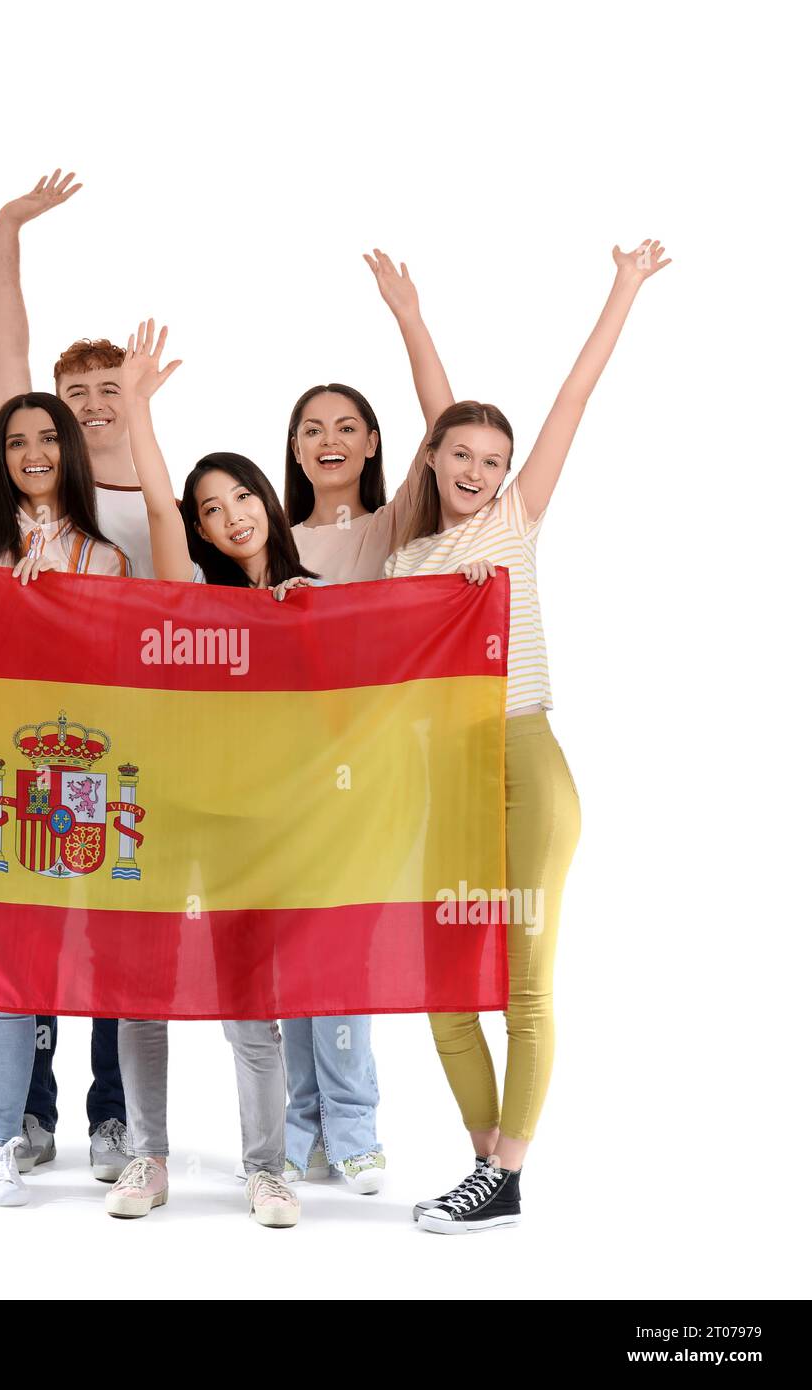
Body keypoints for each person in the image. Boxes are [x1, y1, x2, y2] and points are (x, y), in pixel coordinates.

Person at [383, 238, 671, 1232]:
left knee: (525, 982)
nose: (475, 469)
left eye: (492, 461)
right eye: (459, 454)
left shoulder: (509, 524)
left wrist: (621, 286)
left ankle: (507, 1172)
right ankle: (485, 1167)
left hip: (524, 762)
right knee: (444, 989)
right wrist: (409, 319)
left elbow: (571, 401)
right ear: (432, 457)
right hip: (442, 781)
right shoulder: (405, 559)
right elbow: (440, 406)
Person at [0, 237, 131, 1198]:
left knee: (63, 942)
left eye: (50, 440)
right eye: (20, 441)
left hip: (67, 772)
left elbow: (114, 677)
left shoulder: (105, 560)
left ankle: (61, 1124)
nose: (35, 452)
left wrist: (62, 610)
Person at [99, 321, 311, 1228]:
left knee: (248, 1004)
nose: (229, 517)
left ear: (266, 499)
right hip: (170, 809)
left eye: (240, 499)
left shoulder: (312, 604)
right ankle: (146, 1160)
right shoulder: (192, 593)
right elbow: (154, 509)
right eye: (209, 508)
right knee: (143, 995)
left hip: (257, 822)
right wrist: (139, 407)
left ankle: (265, 1170)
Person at [0, 171, 157, 1167]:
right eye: (71, 396)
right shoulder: (20, 506)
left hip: (110, 739)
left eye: (106, 392)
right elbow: (7, 351)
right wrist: (8, 227)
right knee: (32, 924)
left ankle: (108, 1106)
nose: (87, 409)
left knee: (106, 924)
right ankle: (34, 1106)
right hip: (17, 737)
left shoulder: (134, 514)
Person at [273, 257, 450, 1194]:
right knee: (298, 943)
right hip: (283, 774)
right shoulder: (268, 541)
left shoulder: (389, 531)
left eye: (347, 427)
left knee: (341, 943)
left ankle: (352, 1125)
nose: (330, 439)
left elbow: (448, 433)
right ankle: (303, 1126)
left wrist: (410, 319)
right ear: (294, 448)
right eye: (313, 428)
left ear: (373, 443)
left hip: (366, 767)